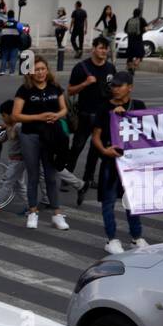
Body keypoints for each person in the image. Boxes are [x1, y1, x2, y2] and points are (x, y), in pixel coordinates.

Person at [91, 72, 148, 254]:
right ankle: (111, 239)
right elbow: (96, 136)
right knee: (108, 201)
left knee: (132, 200)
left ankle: (136, 237)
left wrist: (127, 116)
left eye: (119, 85)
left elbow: (147, 130)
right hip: (111, 159)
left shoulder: (138, 105)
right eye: (113, 86)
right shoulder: (103, 107)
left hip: (131, 161)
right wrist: (104, 150)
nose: (115, 89)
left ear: (129, 87)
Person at [12, 55, 71, 230]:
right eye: (36, 69)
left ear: (47, 70)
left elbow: (64, 109)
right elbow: (16, 115)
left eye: (43, 69)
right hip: (30, 135)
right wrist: (39, 117)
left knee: (51, 175)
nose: (40, 73)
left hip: (51, 136)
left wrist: (56, 116)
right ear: (30, 72)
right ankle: (32, 212)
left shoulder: (55, 87)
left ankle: (57, 214)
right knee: (33, 175)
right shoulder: (24, 90)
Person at [66, 36, 118, 204]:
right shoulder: (82, 67)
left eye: (106, 48)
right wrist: (85, 84)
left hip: (103, 116)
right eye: (101, 48)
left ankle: (88, 179)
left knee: (96, 150)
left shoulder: (111, 68)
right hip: (85, 114)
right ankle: (67, 175)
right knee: (77, 146)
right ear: (94, 48)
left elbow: (115, 90)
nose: (104, 51)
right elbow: (71, 91)